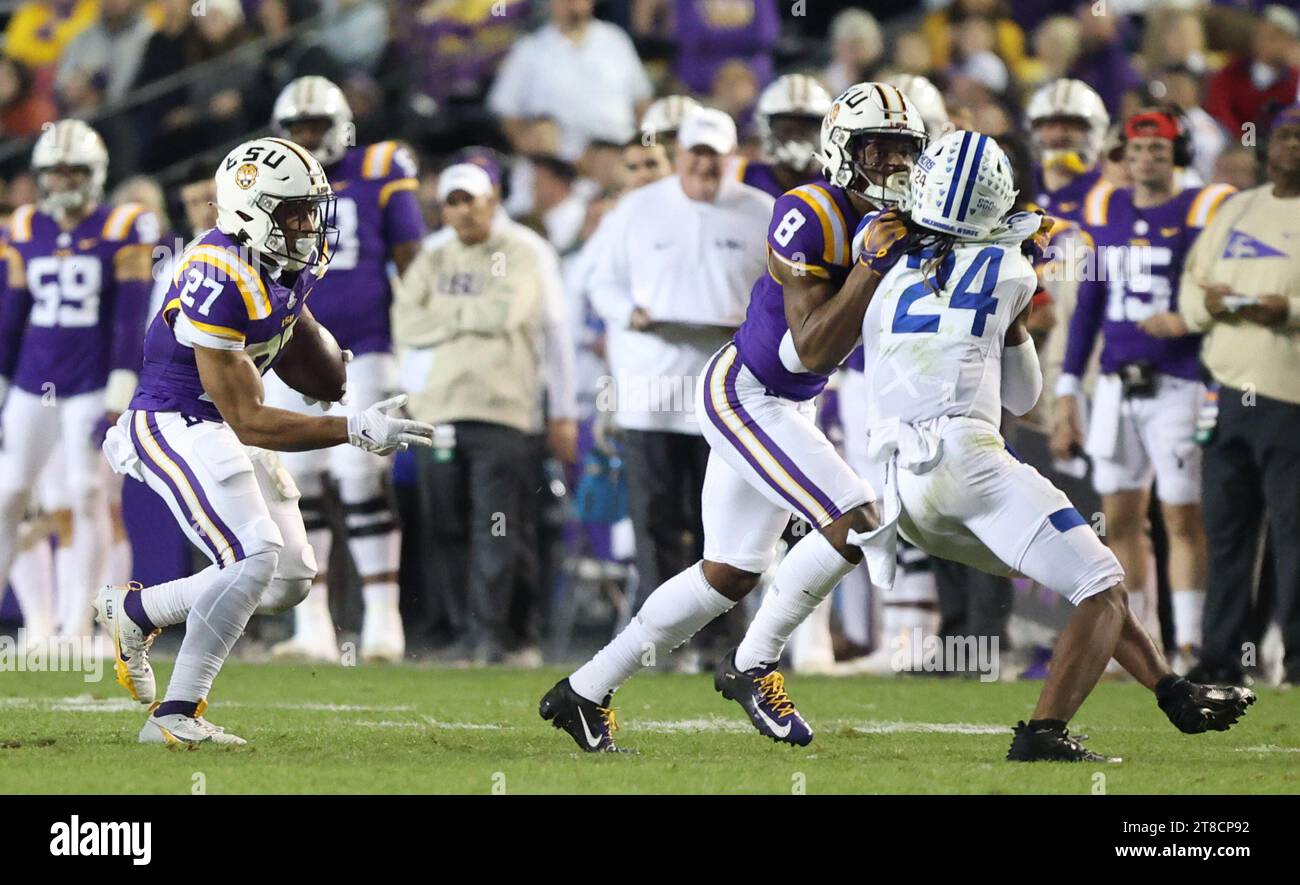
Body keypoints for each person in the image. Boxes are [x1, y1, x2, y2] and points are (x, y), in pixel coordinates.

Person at [539, 83, 926, 752]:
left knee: (727, 574)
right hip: (747, 392)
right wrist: (870, 267)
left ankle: (584, 689)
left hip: (790, 399)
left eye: (903, 150)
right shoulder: (811, 212)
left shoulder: (906, 220)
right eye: (876, 148)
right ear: (842, 150)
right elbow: (810, 345)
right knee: (856, 522)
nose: (891, 164)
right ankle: (752, 663)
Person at [849, 130, 1254, 761]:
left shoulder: (879, 254)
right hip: (967, 460)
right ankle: (1042, 734)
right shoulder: (1012, 266)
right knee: (1099, 583)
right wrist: (1018, 304)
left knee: (1097, 584)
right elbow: (1022, 395)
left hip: (899, 485)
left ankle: (1175, 693)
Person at [93, 137, 435, 746]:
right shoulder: (217, 272)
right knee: (252, 557)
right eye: (297, 212)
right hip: (173, 422)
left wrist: (333, 378)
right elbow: (250, 416)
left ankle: (138, 612)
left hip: (218, 421)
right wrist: (351, 428)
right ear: (253, 211)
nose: (311, 225)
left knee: (288, 580)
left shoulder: (279, 261)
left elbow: (301, 342)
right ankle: (175, 715)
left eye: (312, 209)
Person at [581, 107, 773, 673]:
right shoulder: (637, 209)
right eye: (696, 152)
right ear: (681, 152)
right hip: (649, 393)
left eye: (715, 155)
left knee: (725, 526)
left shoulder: (760, 212)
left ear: (731, 157)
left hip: (728, 395)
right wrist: (632, 314)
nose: (704, 164)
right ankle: (659, 642)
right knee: (656, 523)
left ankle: (723, 642)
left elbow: (787, 290)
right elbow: (601, 284)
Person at [1051, 108, 1235, 665]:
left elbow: (1222, 289)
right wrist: (1067, 387)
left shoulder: (1203, 208)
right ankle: (1137, 640)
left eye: (1157, 150)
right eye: (1136, 150)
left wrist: (1188, 318)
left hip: (1179, 379)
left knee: (1182, 516)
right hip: (1114, 384)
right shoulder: (1104, 206)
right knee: (1121, 515)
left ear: (1178, 154)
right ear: (1123, 158)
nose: (1146, 159)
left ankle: (1191, 642)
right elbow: (1087, 307)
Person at [263, 76, 426, 663]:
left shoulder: (381, 167)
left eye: (317, 128)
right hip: (290, 351)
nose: (308, 139)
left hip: (368, 346)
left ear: (341, 128)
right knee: (298, 485)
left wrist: (421, 351)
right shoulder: (273, 182)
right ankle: (314, 628)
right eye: (298, 130)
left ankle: (385, 625)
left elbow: (414, 264)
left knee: (360, 478)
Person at [394, 163, 578, 665]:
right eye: (453, 200)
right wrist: (468, 318)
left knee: (497, 526)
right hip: (438, 410)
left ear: (492, 200)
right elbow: (405, 322)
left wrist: (563, 409)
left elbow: (513, 316)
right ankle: (466, 631)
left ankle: (499, 633)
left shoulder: (523, 251)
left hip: (503, 411)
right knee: (446, 525)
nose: (463, 209)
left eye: (471, 199)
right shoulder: (432, 256)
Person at [0, 120, 158, 644]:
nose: (63, 181)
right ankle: (48, 622)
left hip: (90, 384)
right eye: (54, 172)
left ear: (94, 174)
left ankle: (77, 629)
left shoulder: (124, 227)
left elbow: (128, 319)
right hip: (31, 385)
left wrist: (119, 393)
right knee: (10, 494)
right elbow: (10, 319)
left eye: (73, 171)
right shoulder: (24, 227)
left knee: (88, 494)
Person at [1178, 103, 1300, 686]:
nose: (1292, 146)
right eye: (1284, 135)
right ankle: (1221, 656)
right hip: (1226, 392)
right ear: (1266, 146)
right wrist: (1212, 302)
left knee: (1294, 534)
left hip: (1291, 395)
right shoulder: (1236, 209)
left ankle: (1296, 660)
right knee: (1226, 533)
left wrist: (1291, 310)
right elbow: (1191, 291)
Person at [733, 73, 833, 198]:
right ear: (767, 129)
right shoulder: (745, 176)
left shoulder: (836, 183)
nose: (796, 138)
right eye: (787, 130)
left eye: (805, 130)